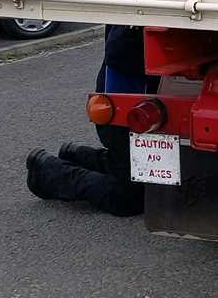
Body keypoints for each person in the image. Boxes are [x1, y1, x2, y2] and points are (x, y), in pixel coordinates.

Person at [25, 25, 151, 217]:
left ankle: (78, 156)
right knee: (129, 198)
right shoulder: (135, 20)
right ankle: (46, 171)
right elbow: (118, 51)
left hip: (134, 106)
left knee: (160, 181)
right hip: (124, 110)